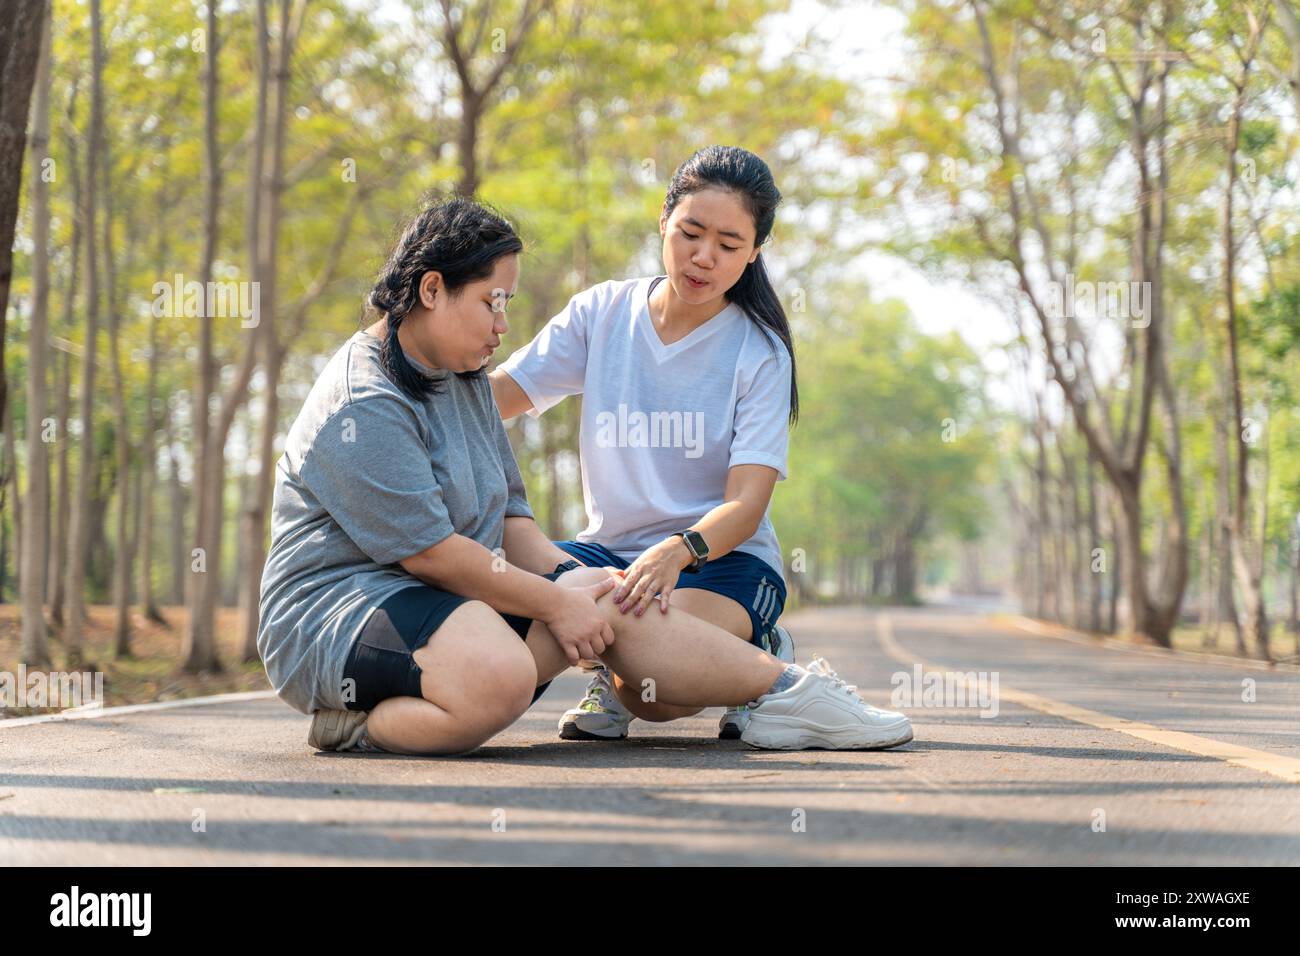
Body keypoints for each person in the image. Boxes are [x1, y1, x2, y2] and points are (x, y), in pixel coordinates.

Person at [257, 194, 914, 755]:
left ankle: (787, 692)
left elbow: (512, 518)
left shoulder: (462, 378)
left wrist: (574, 584)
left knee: (608, 592)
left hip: (436, 594)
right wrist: (554, 600)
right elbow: (434, 555)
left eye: (507, 303)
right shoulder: (365, 401)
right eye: (492, 302)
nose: (503, 324)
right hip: (337, 608)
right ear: (432, 290)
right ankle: (355, 725)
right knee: (500, 677)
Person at [492, 145, 798, 742]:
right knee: (504, 596)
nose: (704, 257)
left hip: (721, 564)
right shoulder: (602, 312)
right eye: (690, 233)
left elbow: (746, 505)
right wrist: (403, 384)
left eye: (730, 245)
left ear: (754, 252)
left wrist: (677, 551)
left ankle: (764, 653)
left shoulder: (759, 351)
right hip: (604, 558)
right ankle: (454, 698)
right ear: (664, 222)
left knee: (650, 692)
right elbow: (498, 398)